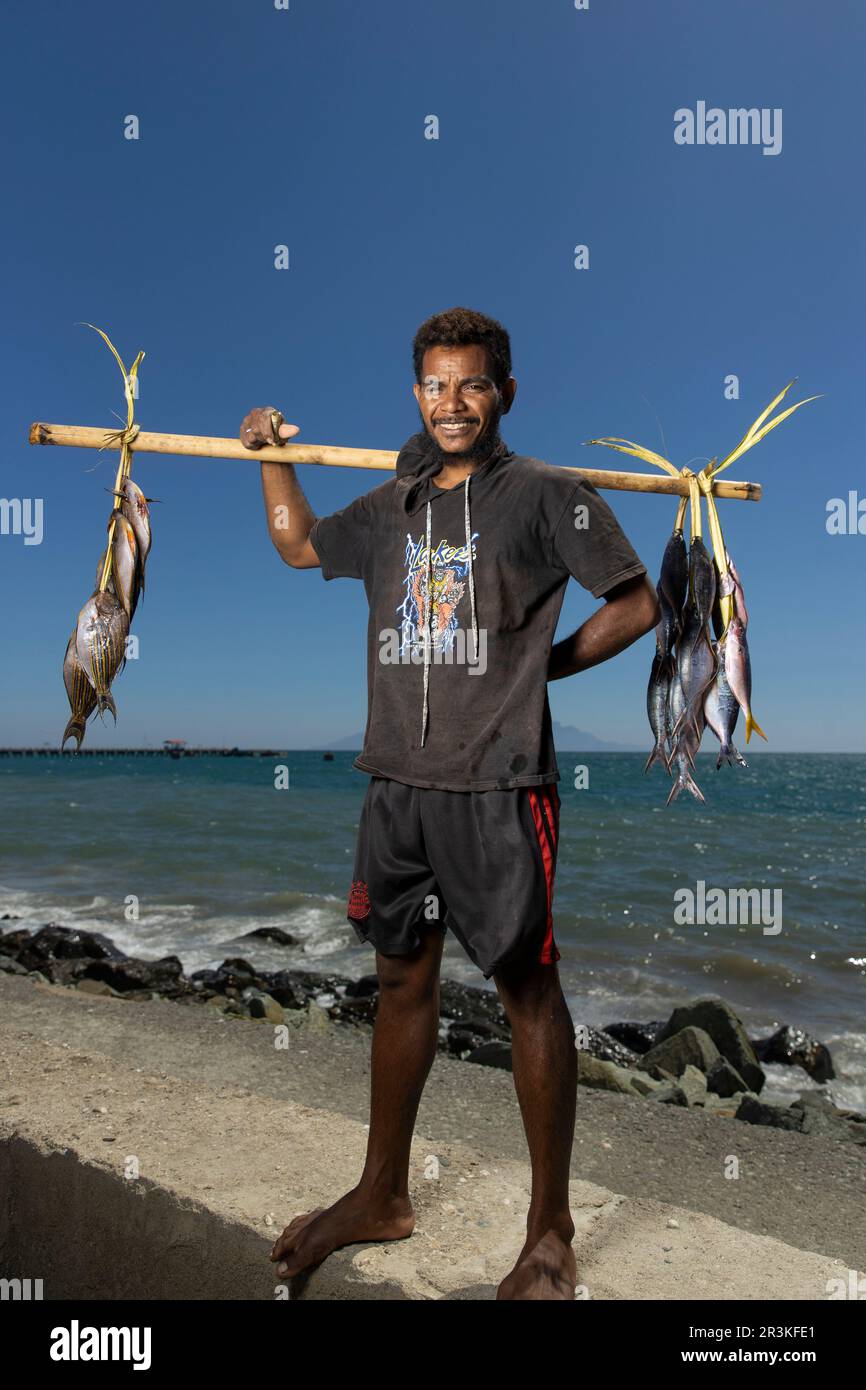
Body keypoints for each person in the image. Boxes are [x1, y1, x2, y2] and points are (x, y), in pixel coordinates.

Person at [241, 306, 659, 1299]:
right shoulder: (389, 507)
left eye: (471, 384)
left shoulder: (551, 496)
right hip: (395, 784)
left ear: (503, 393)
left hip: (498, 786)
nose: (451, 402)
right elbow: (296, 546)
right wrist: (267, 456)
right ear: (415, 393)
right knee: (399, 984)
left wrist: (536, 669)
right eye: (434, 384)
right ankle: (380, 1192)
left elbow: (639, 601)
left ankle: (548, 1232)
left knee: (526, 993)